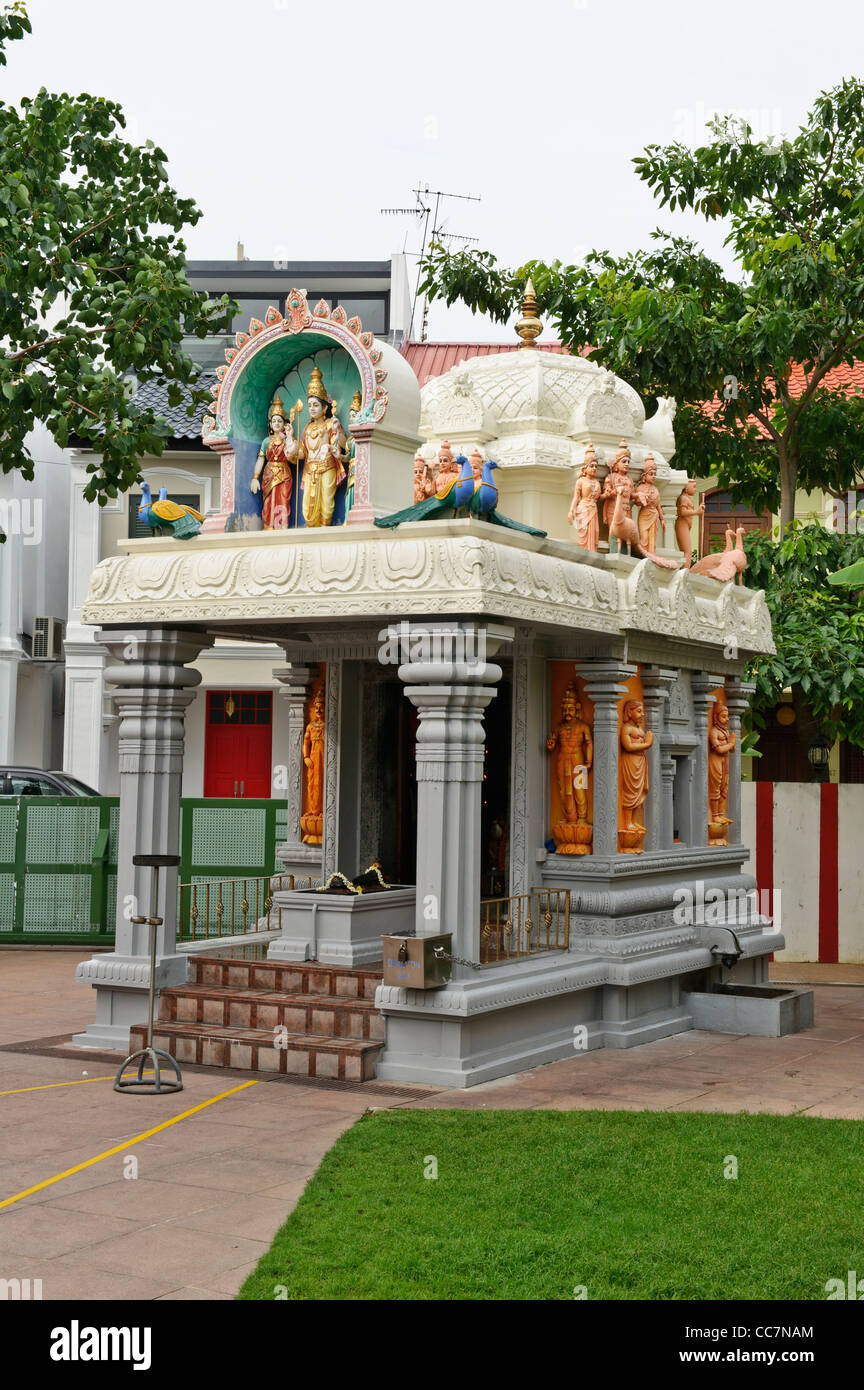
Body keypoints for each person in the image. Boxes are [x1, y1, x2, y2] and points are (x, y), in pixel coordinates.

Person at [250, 396, 295, 529]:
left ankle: (282, 527)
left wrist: (289, 437)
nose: (276, 423)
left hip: (284, 474)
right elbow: (261, 459)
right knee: (269, 502)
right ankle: (269, 527)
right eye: (274, 421)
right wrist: (255, 478)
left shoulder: (287, 440)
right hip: (269, 474)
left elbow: (292, 455)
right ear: (270, 424)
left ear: (284, 423)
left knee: (283, 499)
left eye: (279, 421)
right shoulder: (266, 441)